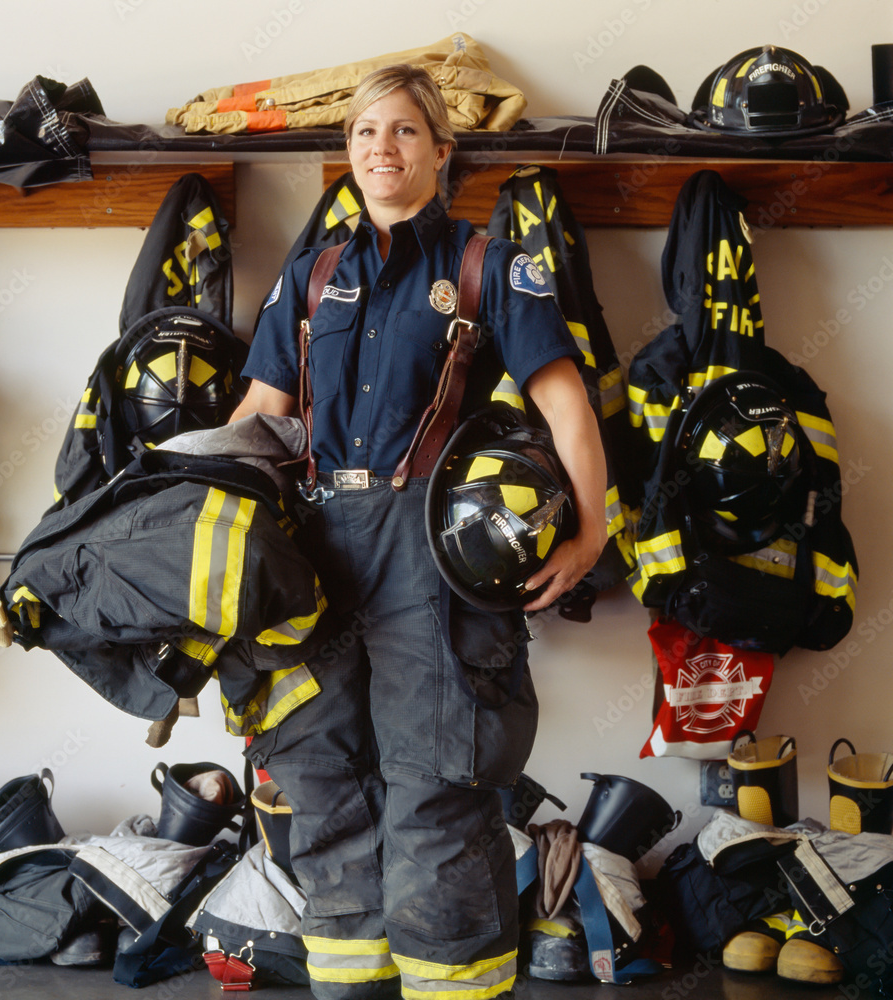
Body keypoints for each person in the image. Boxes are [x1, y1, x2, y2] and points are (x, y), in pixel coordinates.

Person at [229, 64, 607, 1000]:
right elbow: (261, 411)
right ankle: (350, 985)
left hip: (430, 559)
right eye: (363, 132)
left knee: (438, 785)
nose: (379, 148)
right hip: (314, 552)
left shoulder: (487, 265)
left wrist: (592, 534)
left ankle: (454, 987)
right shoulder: (312, 272)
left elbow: (567, 406)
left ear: (442, 151)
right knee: (322, 779)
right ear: (346, 151)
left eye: (402, 131)